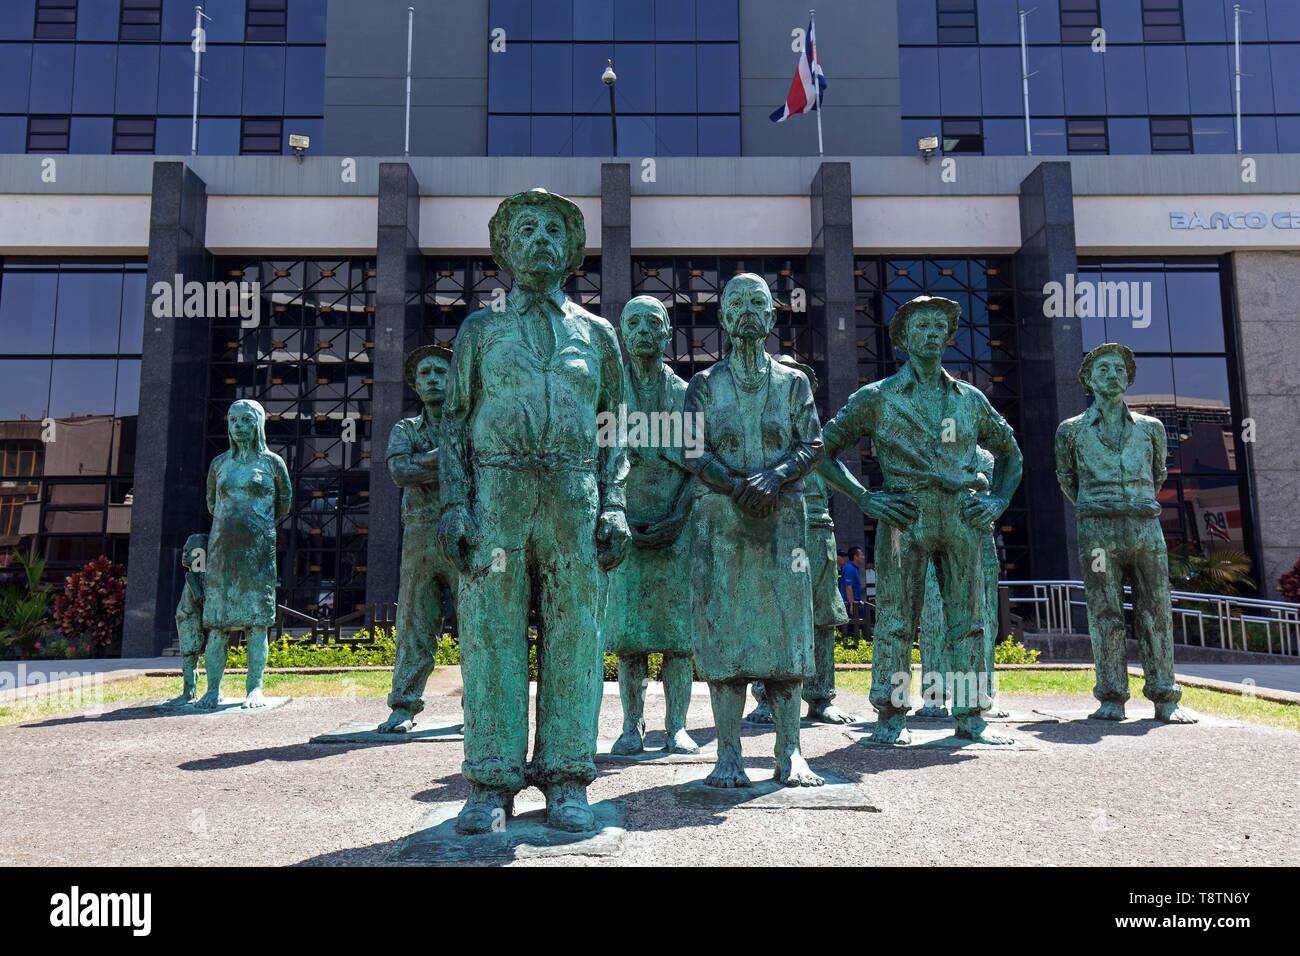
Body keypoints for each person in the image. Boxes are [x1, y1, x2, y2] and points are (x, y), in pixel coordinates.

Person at [438, 188, 630, 834]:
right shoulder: (480, 331)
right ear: (506, 249)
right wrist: (456, 506)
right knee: (491, 633)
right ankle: (491, 782)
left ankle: (568, 777)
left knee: (576, 633)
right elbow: (453, 425)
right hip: (498, 491)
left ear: (572, 251)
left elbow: (618, 428)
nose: (541, 238)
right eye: (527, 228)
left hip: (575, 494)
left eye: (555, 229)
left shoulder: (597, 335)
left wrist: (617, 503)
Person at [817, 295, 1023, 746]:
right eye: (921, 326)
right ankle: (890, 717)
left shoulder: (969, 399)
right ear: (904, 338)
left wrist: (998, 503)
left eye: (939, 326)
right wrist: (865, 498)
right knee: (894, 619)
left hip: (961, 517)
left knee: (968, 620)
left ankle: (971, 717)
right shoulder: (877, 397)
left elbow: (1011, 455)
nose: (931, 333)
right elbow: (821, 450)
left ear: (950, 337)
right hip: (904, 516)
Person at [683, 274, 823, 788]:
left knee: (785, 638)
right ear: (722, 317)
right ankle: (728, 755)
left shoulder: (793, 383)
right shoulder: (703, 385)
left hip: (781, 524)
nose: (746, 310)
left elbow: (812, 444)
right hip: (722, 524)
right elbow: (692, 450)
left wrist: (775, 476)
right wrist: (738, 484)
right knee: (727, 640)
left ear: (770, 317)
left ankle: (791, 752)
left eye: (756, 303)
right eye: (735, 302)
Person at [1055, 342, 1195, 724]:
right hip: (1098, 529)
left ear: (1129, 378)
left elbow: (1157, 475)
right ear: (1088, 379)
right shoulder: (1071, 431)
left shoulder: (1151, 428)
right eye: (1103, 370)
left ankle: (1165, 695)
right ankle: (1112, 695)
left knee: (1156, 610)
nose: (1112, 376)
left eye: (1119, 369)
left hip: (1145, 527)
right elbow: (1067, 479)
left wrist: (1134, 502)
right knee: (1105, 611)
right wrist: (1097, 505)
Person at [606, 295, 699, 756]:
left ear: (667, 334)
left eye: (654, 322)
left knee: (678, 638)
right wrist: (615, 511)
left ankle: (677, 726)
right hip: (623, 526)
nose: (644, 329)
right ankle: (630, 725)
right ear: (623, 332)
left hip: (675, 529)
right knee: (629, 638)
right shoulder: (609, 393)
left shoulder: (685, 396)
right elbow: (600, 461)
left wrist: (678, 518)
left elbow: (700, 469)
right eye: (634, 322)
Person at [746, 356, 857, 726]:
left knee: (822, 615)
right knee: (767, 612)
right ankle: (764, 697)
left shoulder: (819, 436)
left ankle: (821, 696)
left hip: (818, 530)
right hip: (773, 528)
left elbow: (836, 473)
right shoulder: (763, 430)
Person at [378, 345, 457, 733]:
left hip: (465, 533)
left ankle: (478, 709)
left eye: (440, 372)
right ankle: (404, 706)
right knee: (414, 621)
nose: (433, 379)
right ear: (414, 383)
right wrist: (447, 457)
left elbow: (478, 463)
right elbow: (399, 472)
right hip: (420, 535)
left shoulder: (469, 425)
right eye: (424, 373)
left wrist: (423, 461)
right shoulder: (405, 429)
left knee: (477, 625)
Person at [197, 399, 292, 710]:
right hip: (223, 551)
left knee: (257, 622)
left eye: (246, 421)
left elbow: (284, 503)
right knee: (218, 624)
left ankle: (255, 688)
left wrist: (255, 526)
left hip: (259, 552)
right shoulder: (219, 465)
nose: (239, 427)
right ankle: (213, 689)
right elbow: (213, 503)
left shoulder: (272, 463)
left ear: (258, 424)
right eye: (234, 420)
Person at [171, 533, 208, 705]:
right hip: (188, 619)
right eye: (184, 550)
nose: (184, 554)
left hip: (190, 620)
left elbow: (200, 597)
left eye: (189, 551)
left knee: (189, 658)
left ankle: (188, 693)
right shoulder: (198, 574)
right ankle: (191, 691)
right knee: (192, 657)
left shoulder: (194, 575)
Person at [840, 546, 862, 643]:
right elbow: (848, 587)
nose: (863, 557)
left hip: (854, 602)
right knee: (850, 629)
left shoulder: (854, 568)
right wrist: (852, 604)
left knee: (856, 628)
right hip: (849, 604)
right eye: (861, 555)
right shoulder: (849, 568)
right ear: (855, 556)